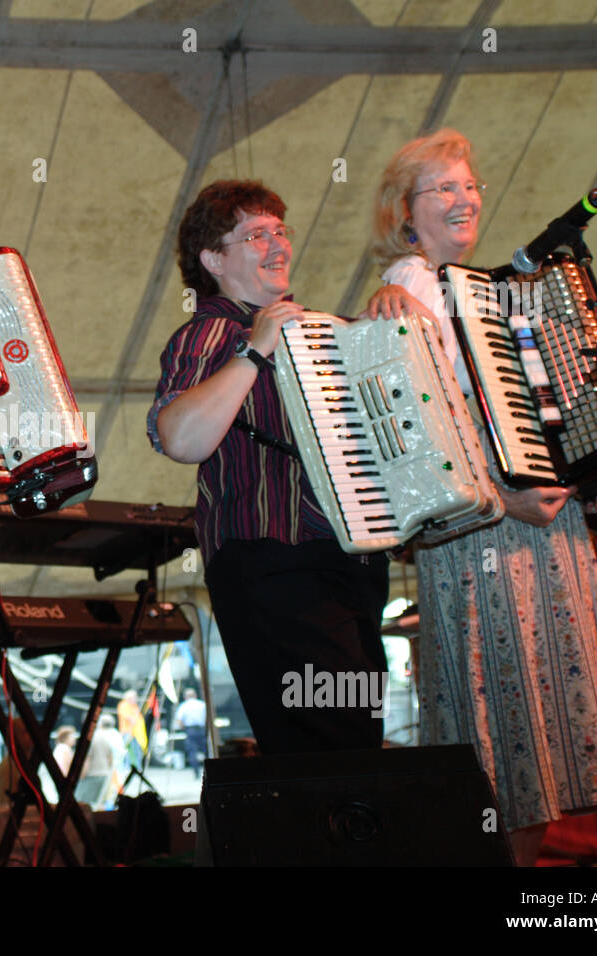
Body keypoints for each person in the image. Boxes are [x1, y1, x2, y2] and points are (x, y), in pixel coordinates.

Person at [364, 128, 597, 865]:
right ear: (405, 211)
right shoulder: (409, 287)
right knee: (506, 746)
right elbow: (413, 442)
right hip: (486, 532)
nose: (464, 198)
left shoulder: (494, 289)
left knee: (539, 742)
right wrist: (500, 499)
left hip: (543, 524)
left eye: (469, 185)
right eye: (443, 188)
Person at [147, 180, 390, 756]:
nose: (278, 243)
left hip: (347, 564)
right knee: (327, 749)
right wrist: (254, 350)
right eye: (256, 235)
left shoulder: (314, 332)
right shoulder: (209, 331)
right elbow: (179, 438)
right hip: (277, 565)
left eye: (280, 230)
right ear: (213, 259)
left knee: (354, 744)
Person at [172, 687, 208, 777]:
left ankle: (196, 772)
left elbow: (179, 720)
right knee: (206, 750)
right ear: (195, 695)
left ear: (185, 697)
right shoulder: (202, 704)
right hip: (201, 729)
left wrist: (184, 728)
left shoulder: (183, 706)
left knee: (192, 752)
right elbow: (208, 718)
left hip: (190, 730)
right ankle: (209, 770)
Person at [116, 689, 148, 772]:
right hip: (127, 732)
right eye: (134, 697)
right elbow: (128, 718)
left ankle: (137, 767)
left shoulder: (135, 706)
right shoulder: (123, 705)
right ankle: (127, 768)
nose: (136, 699)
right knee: (128, 751)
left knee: (137, 750)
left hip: (136, 733)